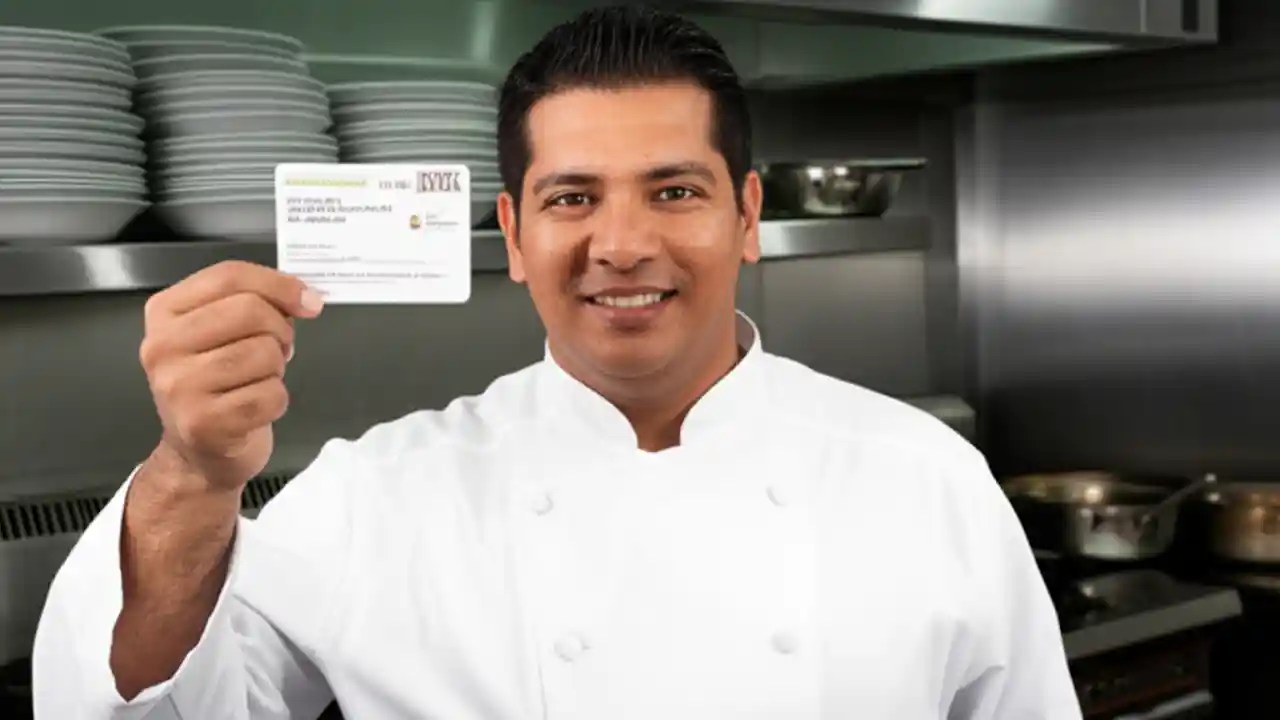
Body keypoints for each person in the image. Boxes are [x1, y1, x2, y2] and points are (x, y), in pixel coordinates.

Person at [32, 5, 1080, 719]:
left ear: (748, 217)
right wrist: (192, 475)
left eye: (673, 190)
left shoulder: (918, 473)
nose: (620, 244)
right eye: (571, 197)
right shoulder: (377, 493)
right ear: (512, 231)